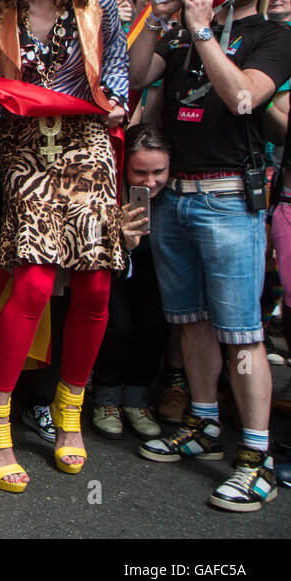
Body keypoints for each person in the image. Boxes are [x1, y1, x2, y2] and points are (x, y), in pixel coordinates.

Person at [0, 0, 129, 493]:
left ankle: (69, 412)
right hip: (27, 146)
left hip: (87, 144)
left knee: (93, 285)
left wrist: (115, 103)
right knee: (32, 280)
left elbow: (114, 73)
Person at [129, 0, 291, 511]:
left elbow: (245, 97)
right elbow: (134, 73)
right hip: (175, 197)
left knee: (242, 333)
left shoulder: (276, 37)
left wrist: (202, 32)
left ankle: (256, 458)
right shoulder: (185, 28)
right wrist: (160, 17)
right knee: (192, 322)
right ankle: (203, 423)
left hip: (229, 199)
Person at [90, 124, 170, 442]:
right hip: (116, 262)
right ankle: (107, 398)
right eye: (140, 173)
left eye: (158, 172)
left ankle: (138, 399)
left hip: (158, 262)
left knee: (155, 323)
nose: (150, 182)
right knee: (117, 324)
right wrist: (120, 237)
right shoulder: (106, 189)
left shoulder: (178, 197)